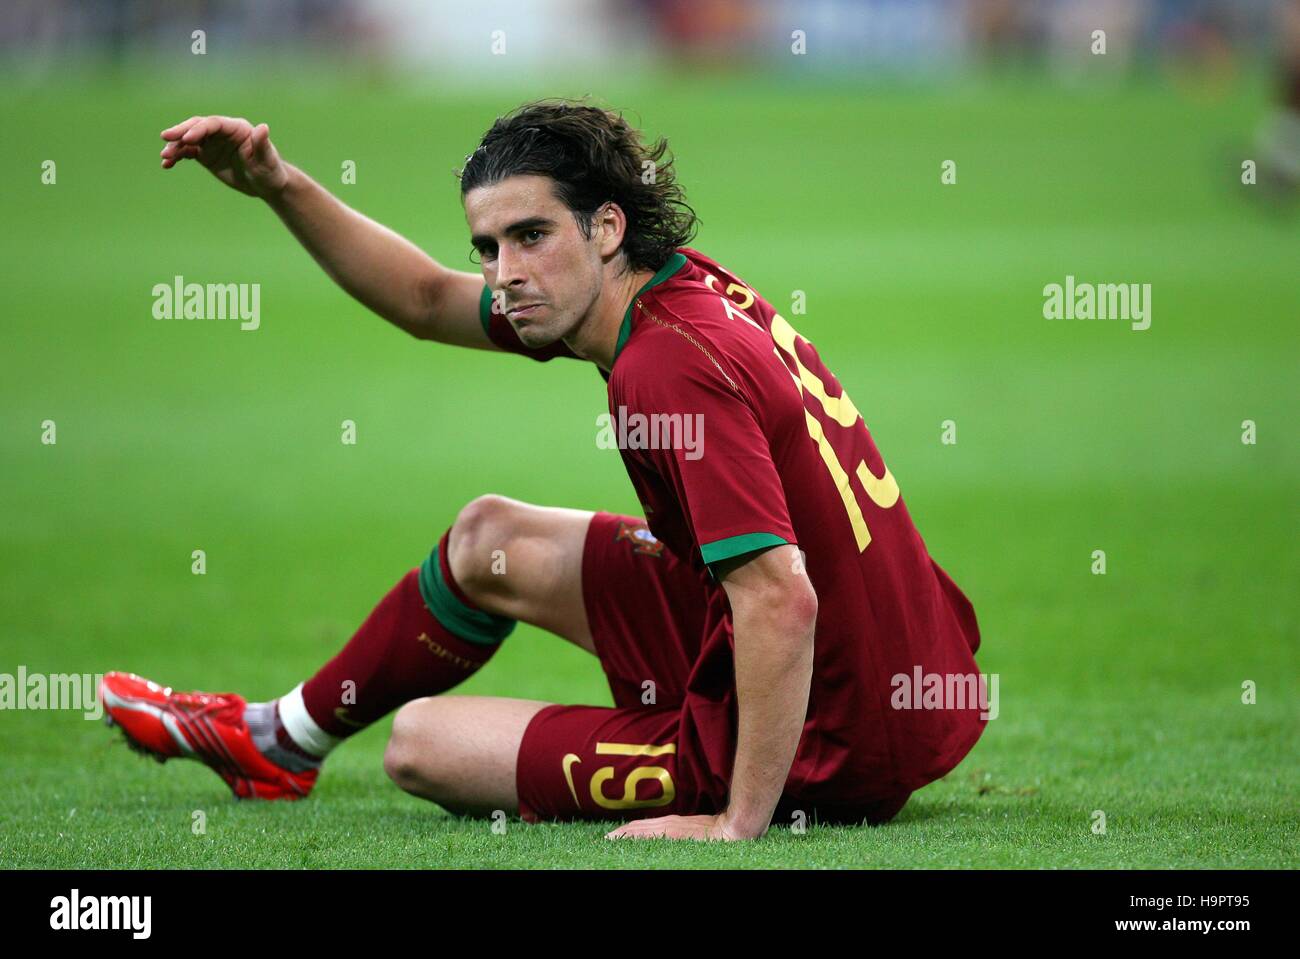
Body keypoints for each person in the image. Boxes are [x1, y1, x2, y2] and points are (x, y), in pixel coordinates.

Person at [101, 99, 987, 841]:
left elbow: (780, 597)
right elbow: (423, 300)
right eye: (489, 245)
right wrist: (278, 185)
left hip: (833, 730)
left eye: (529, 236)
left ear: (606, 227)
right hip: (875, 658)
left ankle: (747, 784)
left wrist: (735, 825)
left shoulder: (665, 364)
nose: (504, 273)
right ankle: (277, 740)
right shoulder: (667, 287)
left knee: (421, 746)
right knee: (491, 538)